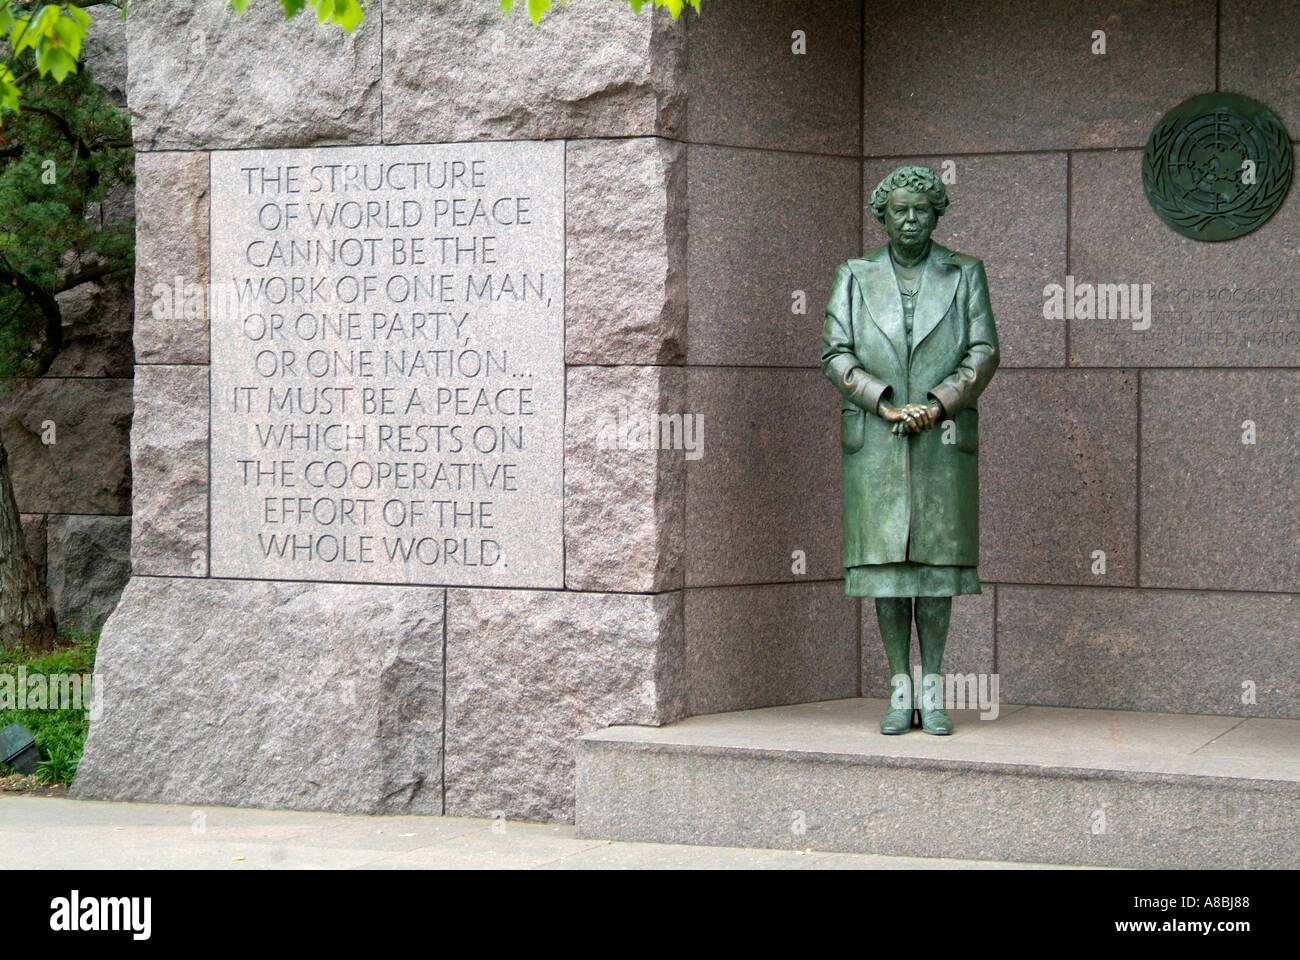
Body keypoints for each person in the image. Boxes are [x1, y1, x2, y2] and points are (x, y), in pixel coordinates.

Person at [821, 165, 999, 735]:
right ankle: (900, 685)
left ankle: (934, 685)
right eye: (899, 210)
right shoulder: (853, 274)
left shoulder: (966, 272)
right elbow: (835, 352)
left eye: (920, 210)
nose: (910, 219)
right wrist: (884, 401)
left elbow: (984, 351)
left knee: (936, 569)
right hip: (877, 439)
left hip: (943, 441)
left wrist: (939, 404)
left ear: (937, 212)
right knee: (889, 571)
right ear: (883, 215)